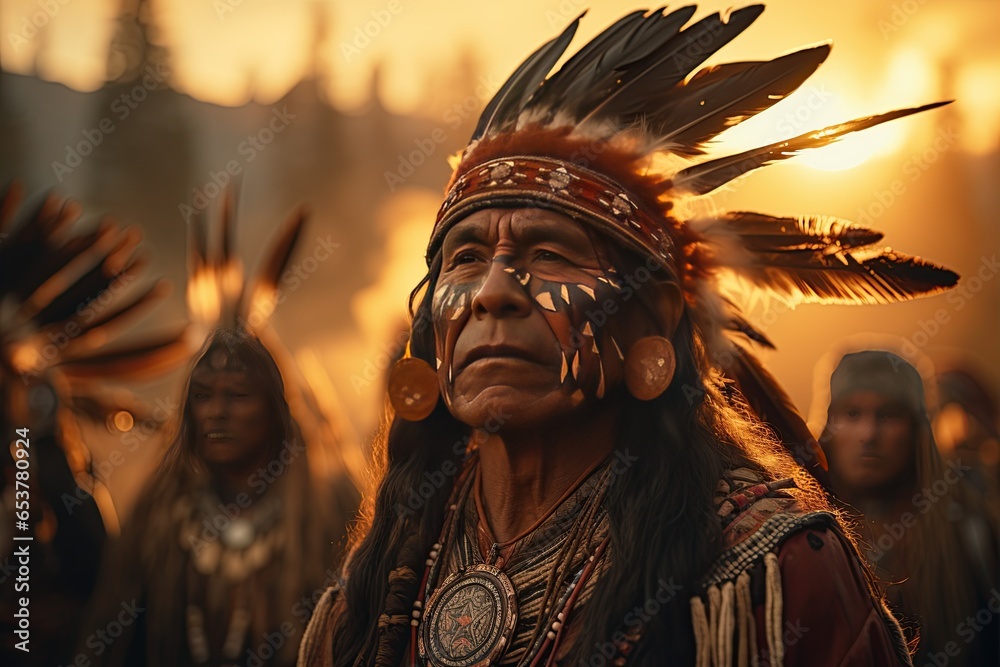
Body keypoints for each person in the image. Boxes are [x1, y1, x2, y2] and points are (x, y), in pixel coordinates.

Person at [300, 6, 959, 666]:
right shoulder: (381, 577)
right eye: (466, 257)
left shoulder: (771, 576)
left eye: (548, 253)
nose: (493, 291)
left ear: (652, 319)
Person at [79, 328, 355, 666]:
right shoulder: (157, 519)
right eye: (203, 396)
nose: (217, 412)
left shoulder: (327, 517)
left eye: (238, 395)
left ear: (275, 410)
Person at [820, 350, 1000, 667]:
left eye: (889, 415)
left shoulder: (970, 529)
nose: (868, 434)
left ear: (917, 430)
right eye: (851, 414)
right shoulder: (801, 534)